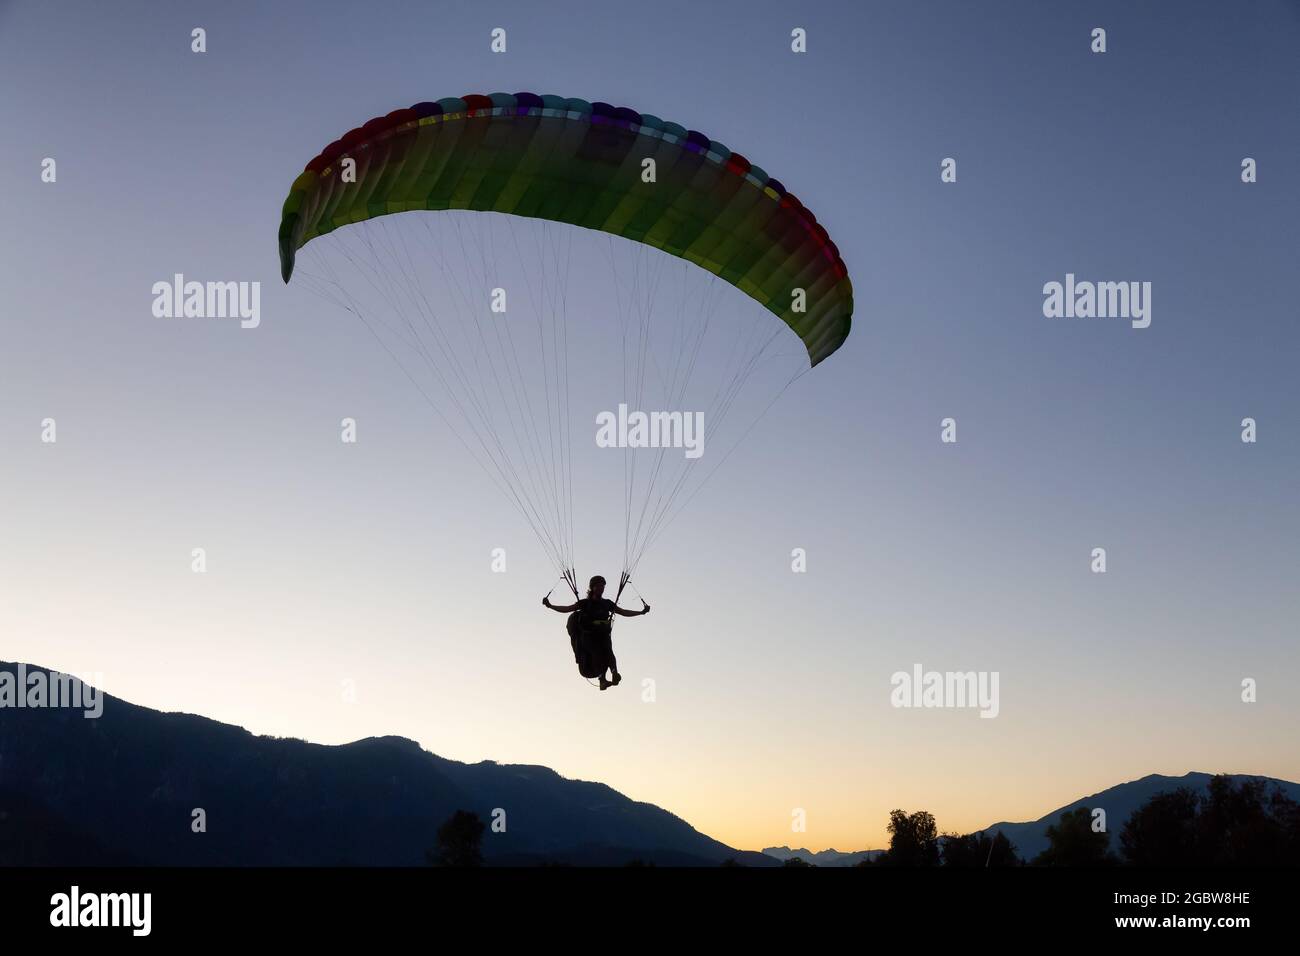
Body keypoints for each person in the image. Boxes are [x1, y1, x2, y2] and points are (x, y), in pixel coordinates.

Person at [544, 575, 649, 689]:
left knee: (608, 651)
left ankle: (614, 673)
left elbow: (623, 612)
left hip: (602, 633)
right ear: (592, 588)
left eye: (603, 586)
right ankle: (602, 680)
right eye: (598, 586)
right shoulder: (584, 603)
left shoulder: (607, 603)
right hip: (589, 634)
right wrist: (550, 606)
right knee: (596, 652)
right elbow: (567, 609)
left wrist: (640, 612)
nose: (601, 588)